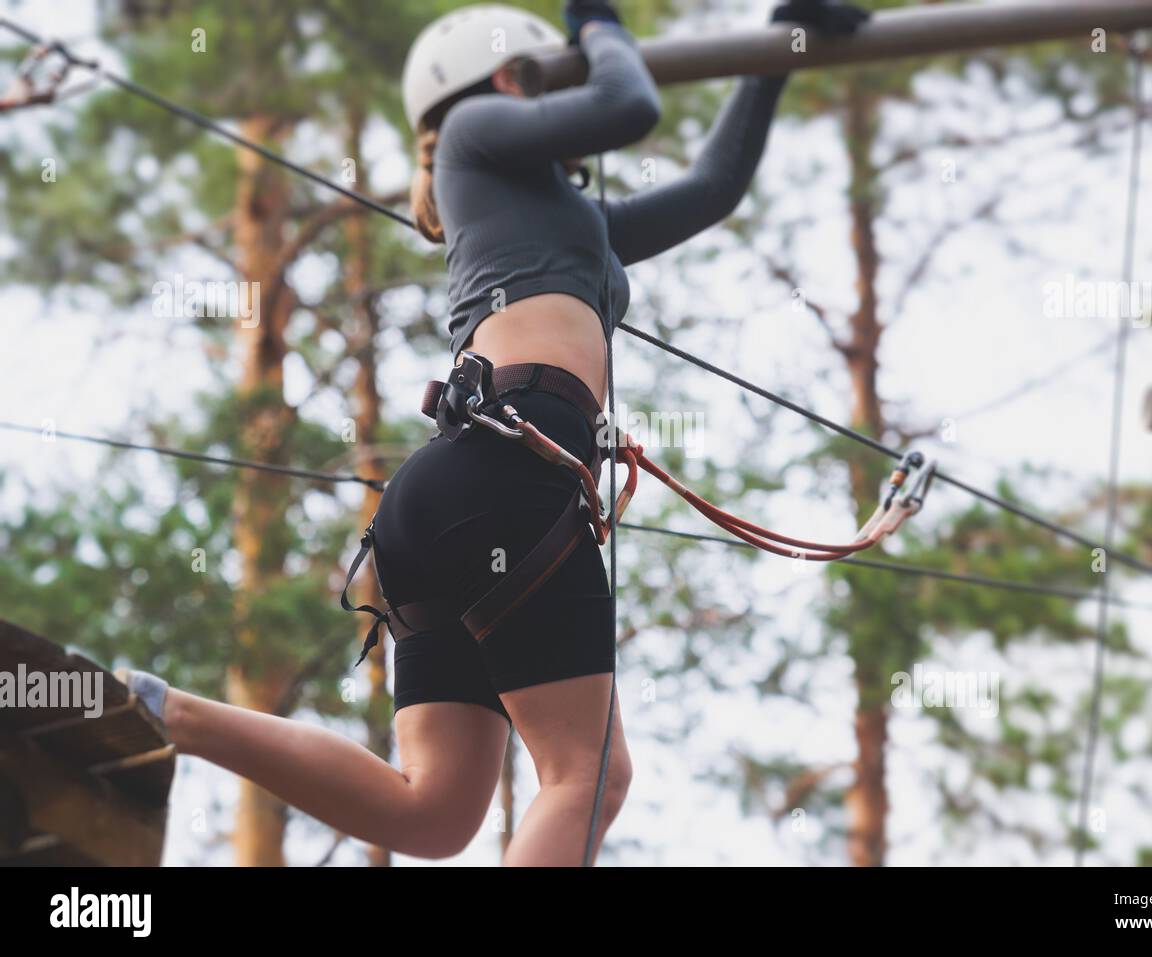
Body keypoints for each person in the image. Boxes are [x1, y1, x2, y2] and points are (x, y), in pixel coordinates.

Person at [124, 0, 864, 866]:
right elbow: (631, 107)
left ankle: (160, 708)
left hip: (459, 493)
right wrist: (599, 29)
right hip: (503, 474)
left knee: (434, 813)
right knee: (587, 775)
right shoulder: (473, 131)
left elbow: (713, 189)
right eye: (552, 86)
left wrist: (780, 48)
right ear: (514, 81)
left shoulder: (573, 220)